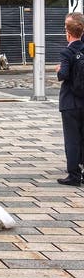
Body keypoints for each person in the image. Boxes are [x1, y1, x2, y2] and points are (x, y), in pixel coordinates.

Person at [55, 12, 84, 186]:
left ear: (67, 32)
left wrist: (58, 69)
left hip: (70, 104)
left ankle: (74, 175)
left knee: (72, 139)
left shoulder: (67, 52)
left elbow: (63, 74)